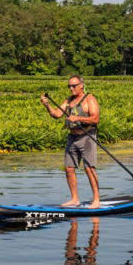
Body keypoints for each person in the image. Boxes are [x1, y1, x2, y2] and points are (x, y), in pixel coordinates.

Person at [40, 75, 101, 208]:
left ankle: (96, 200)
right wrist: (47, 105)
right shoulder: (69, 100)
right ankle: (75, 199)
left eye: (74, 86)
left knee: (89, 168)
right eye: (69, 86)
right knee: (69, 168)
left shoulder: (90, 99)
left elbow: (95, 119)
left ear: (81, 85)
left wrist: (78, 118)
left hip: (87, 136)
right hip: (72, 137)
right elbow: (57, 114)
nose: (71, 88)